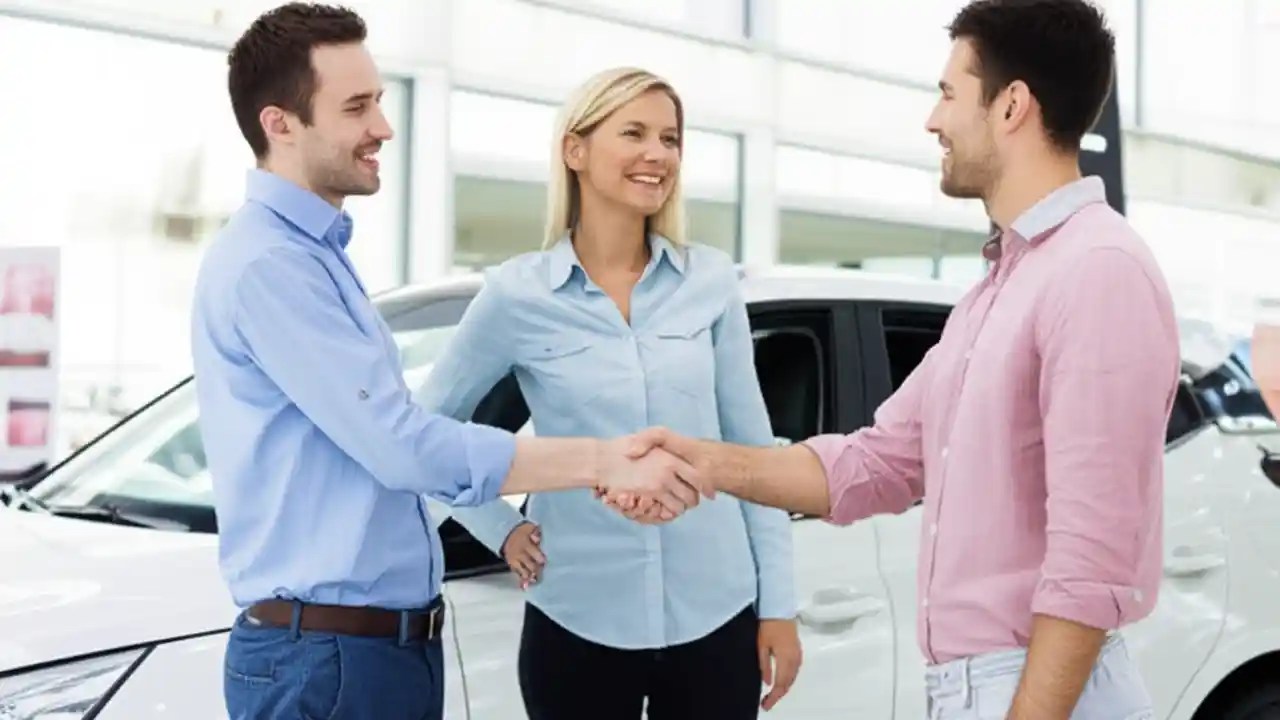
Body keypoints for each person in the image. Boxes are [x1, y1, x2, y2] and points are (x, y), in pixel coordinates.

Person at [610, 1, 1180, 718]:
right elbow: (875, 463)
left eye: (948, 93)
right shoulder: (997, 290)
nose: (932, 120)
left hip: (1041, 693)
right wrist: (698, 460)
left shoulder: (1098, 270)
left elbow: (1091, 560)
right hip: (980, 687)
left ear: (1011, 107)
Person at [190, 7, 706, 720]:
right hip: (331, 662)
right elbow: (405, 444)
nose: (384, 127)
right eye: (356, 107)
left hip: (365, 654)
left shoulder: (311, 256)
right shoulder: (273, 266)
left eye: (379, 101)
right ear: (281, 124)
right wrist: (603, 461)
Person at [415, 66, 802, 719]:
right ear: (576, 150)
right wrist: (500, 529)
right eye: (634, 133)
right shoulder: (517, 295)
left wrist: (780, 608)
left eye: (671, 138)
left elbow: (752, 452)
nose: (659, 154)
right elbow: (423, 435)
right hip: (577, 619)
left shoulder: (709, 282)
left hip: (718, 613)